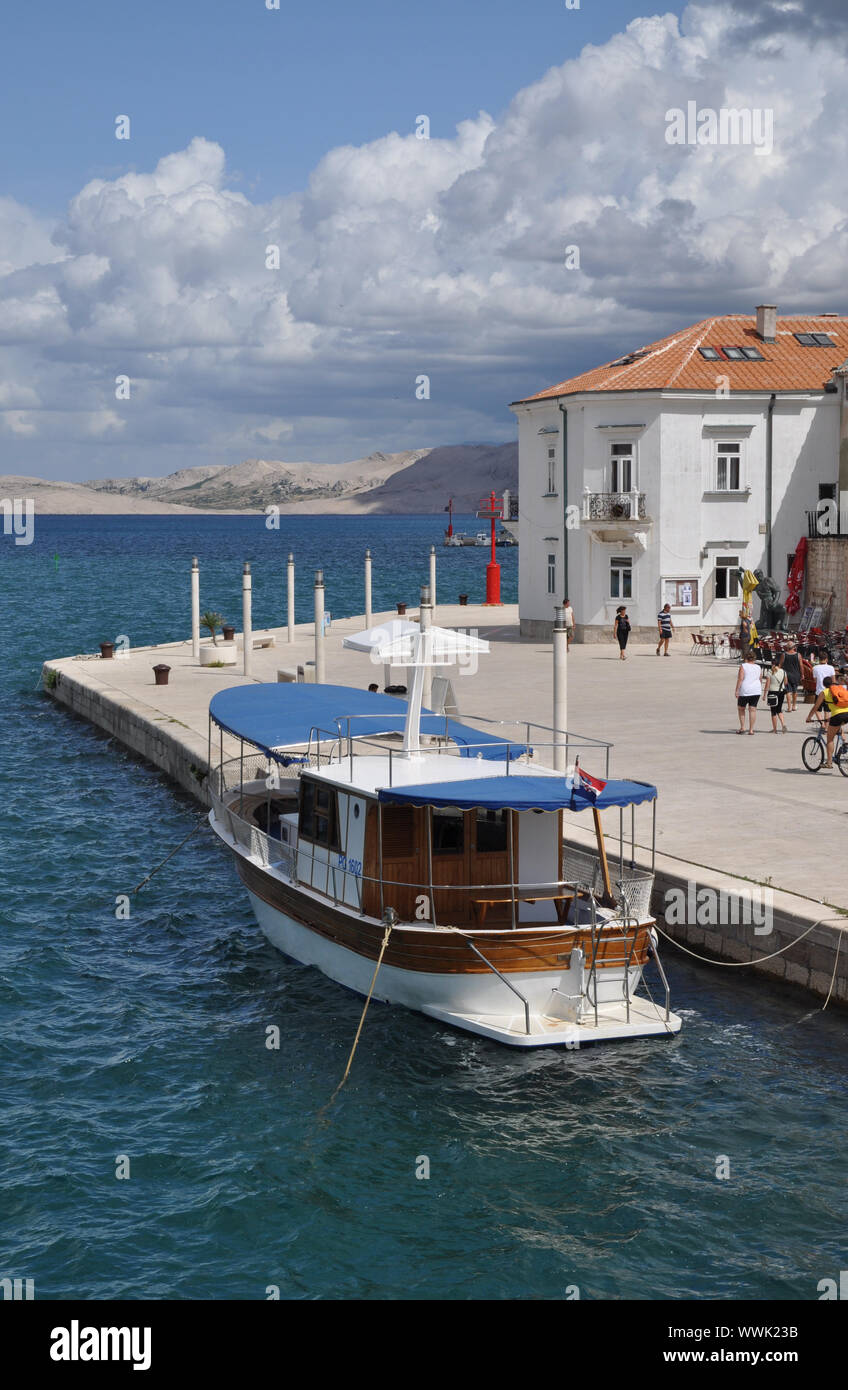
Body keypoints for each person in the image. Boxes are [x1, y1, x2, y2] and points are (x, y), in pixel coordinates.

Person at [806, 675, 848, 768]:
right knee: (837, 725)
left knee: (829, 739)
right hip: (846, 713)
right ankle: (844, 744)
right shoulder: (840, 689)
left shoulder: (824, 692)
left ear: (824, 685)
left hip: (838, 716)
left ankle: (829, 763)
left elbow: (816, 707)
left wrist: (809, 717)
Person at [735, 654, 763, 734]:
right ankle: (751, 730)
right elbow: (760, 679)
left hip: (745, 689)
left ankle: (743, 727)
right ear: (754, 659)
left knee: (741, 708)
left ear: (746, 658)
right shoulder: (758, 667)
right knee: (753, 709)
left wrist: (737, 690)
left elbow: (740, 678)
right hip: (756, 690)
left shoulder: (743, 666)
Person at [766, 653, 788, 733]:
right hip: (781, 692)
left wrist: (764, 694)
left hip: (772, 692)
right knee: (779, 709)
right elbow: (786, 683)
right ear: (779, 664)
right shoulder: (783, 671)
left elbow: (767, 684)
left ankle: (775, 729)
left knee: (773, 711)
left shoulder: (770, 672)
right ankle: (783, 724)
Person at [782, 641, 801, 712]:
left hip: (786, 675)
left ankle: (789, 707)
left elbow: (780, 665)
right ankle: (794, 706)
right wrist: (802, 674)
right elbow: (801, 666)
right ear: (794, 647)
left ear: (787, 647)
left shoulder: (784, 655)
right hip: (796, 675)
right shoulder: (798, 655)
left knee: (788, 691)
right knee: (795, 691)